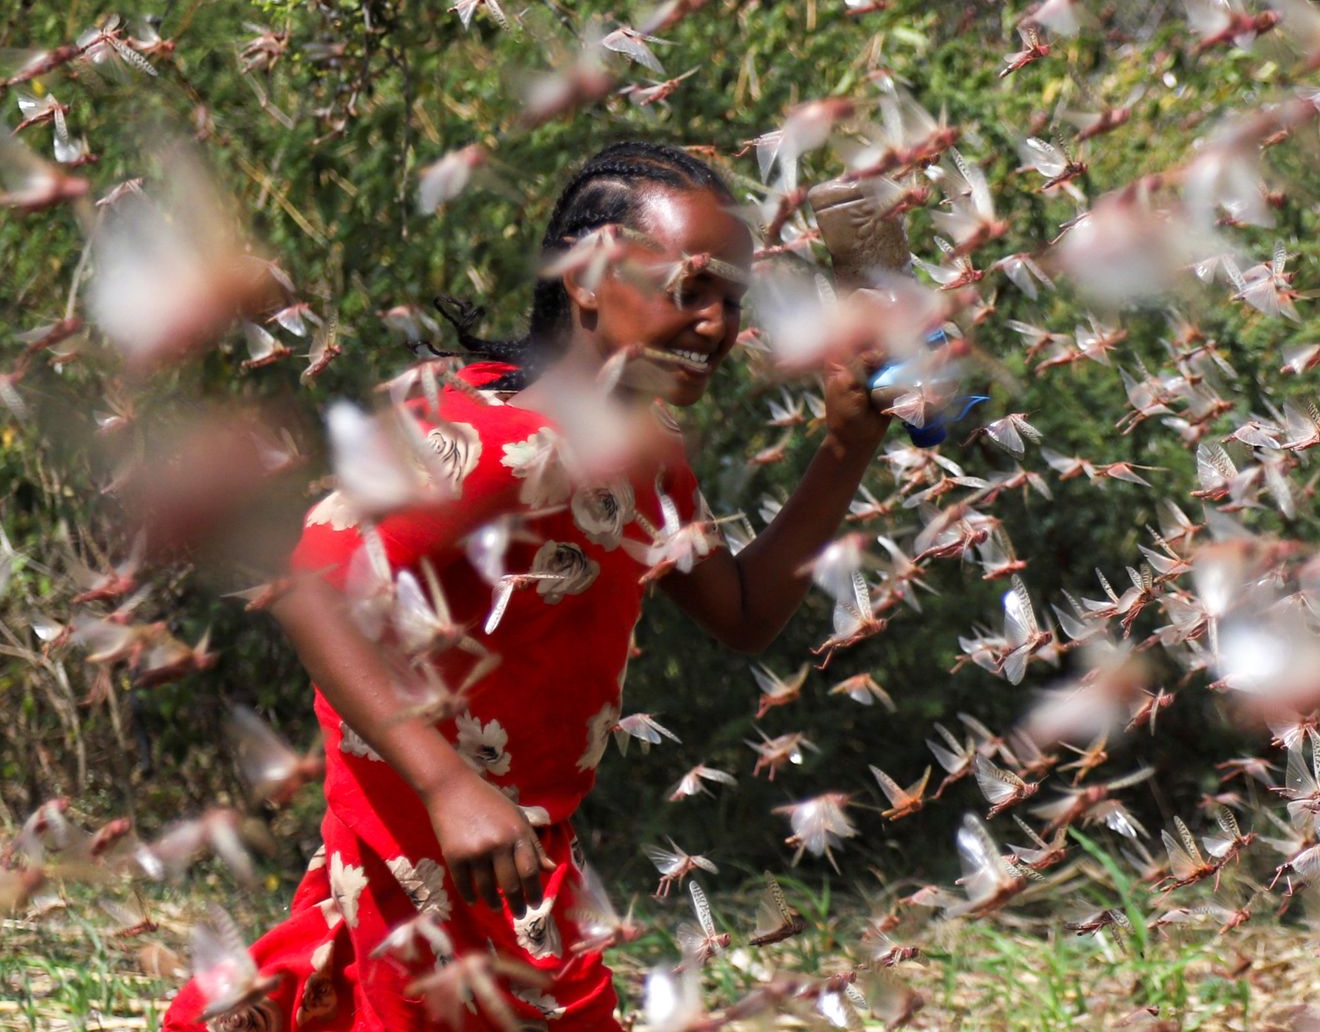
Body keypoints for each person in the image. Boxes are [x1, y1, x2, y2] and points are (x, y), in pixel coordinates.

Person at [162, 141, 898, 1031]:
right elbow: (312, 584)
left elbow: (740, 614)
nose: (716, 323)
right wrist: (445, 786)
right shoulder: (489, 442)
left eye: (732, 299)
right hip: (432, 864)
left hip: (513, 871)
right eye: (690, 288)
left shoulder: (644, 455)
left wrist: (847, 446)